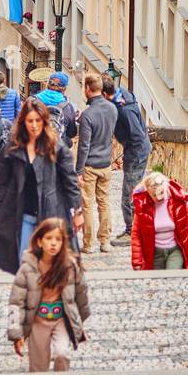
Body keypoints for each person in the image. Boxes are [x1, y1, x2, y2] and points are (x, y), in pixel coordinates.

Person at [0, 97, 83, 274]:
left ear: (44, 121)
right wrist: (1, 210)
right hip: (23, 213)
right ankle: (30, 301)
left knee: (52, 267)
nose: (34, 125)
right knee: (26, 267)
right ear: (23, 122)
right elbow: (1, 181)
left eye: (38, 120)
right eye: (30, 121)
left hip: (51, 212)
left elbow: (70, 181)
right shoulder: (13, 148)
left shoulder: (56, 147)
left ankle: (49, 300)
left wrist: (77, 211)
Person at [8, 218, 90, 372]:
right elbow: (15, 301)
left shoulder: (70, 265)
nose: (53, 243)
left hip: (61, 319)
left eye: (58, 239)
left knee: (62, 353)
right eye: (49, 238)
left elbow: (81, 294)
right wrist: (15, 333)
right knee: (38, 364)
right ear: (39, 242)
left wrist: (78, 322)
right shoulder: (28, 268)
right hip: (38, 320)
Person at [103, 77, 152, 247]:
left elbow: (137, 136)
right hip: (136, 150)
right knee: (132, 192)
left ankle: (132, 231)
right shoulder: (121, 95)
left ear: (104, 94)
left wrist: (132, 156)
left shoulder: (125, 110)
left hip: (136, 153)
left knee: (129, 193)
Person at [75, 74, 118, 255]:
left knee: (87, 205)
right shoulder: (112, 109)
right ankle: (105, 241)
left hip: (90, 165)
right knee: (104, 203)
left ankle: (88, 243)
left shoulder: (87, 115)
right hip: (106, 164)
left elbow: (84, 146)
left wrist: (78, 170)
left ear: (87, 89)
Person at [131, 171, 188, 271]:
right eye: (154, 195)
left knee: (172, 275)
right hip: (154, 253)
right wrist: (136, 260)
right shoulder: (143, 207)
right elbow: (136, 234)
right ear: (148, 193)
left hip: (175, 250)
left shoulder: (178, 201)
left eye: (161, 193)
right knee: (157, 282)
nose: (158, 198)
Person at [34, 72, 78, 147]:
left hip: (35, 148)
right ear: (64, 89)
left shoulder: (32, 101)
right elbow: (71, 133)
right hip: (57, 151)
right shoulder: (68, 107)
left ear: (48, 84)